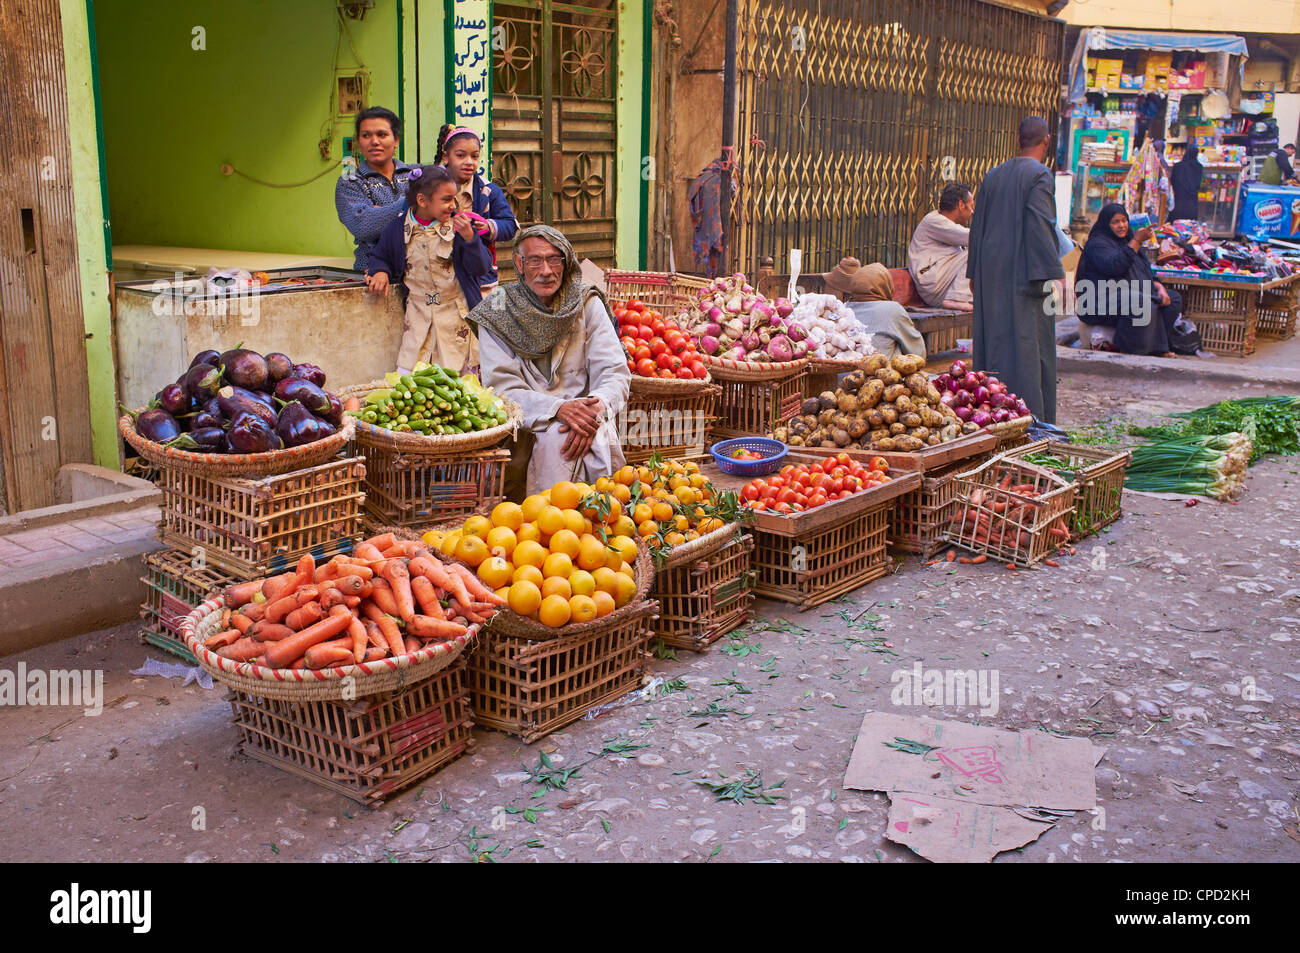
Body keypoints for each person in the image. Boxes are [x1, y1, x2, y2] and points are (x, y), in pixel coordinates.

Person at [470, 225, 631, 497]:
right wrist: (558, 408)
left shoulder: (586, 303)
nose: (546, 271)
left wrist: (594, 409)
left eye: (554, 259)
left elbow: (614, 373)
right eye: (535, 260)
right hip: (530, 421)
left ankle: (603, 517)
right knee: (558, 437)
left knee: (598, 434)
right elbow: (501, 389)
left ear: (566, 263)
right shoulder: (497, 310)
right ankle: (549, 524)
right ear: (520, 264)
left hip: (589, 416)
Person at [966, 116, 1065, 424]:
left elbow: (977, 226)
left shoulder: (992, 175)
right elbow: (1041, 224)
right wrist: (1055, 270)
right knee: (1028, 343)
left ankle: (989, 411)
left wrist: (973, 272)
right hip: (1026, 274)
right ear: (1046, 141)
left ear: (1017, 141)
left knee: (993, 338)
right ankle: (1030, 419)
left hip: (991, 271)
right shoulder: (1040, 175)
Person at [365, 166, 493, 375]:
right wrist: (380, 271)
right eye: (446, 199)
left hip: (455, 316)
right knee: (411, 374)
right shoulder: (397, 228)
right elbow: (381, 255)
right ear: (423, 201)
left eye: (454, 199)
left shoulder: (459, 230)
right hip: (417, 315)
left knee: (460, 379)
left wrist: (470, 238)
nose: (453, 205)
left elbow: (481, 267)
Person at [1076, 204, 1182, 357]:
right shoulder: (1097, 244)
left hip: (1128, 293)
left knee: (1173, 299)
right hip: (1099, 301)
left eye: (1124, 221)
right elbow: (1114, 267)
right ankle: (1131, 351)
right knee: (1139, 302)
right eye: (1115, 222)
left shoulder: (1127, 240)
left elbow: (1144, 269)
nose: (1121, 226)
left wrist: (1159, 287)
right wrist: (1137, 241)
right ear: (1107, 224)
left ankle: (1155, 347)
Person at [436, 125, 519, 296]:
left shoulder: (488, 191)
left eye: (474, 156)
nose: (469, 162)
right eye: (460, 155)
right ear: (446, 157)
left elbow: (510, 225)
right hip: (439, 276)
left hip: (481, 278)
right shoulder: (431, 188)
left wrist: (489, 226)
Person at [335, 106, 417, 272]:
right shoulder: (349, 181)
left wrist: (381, 212)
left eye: (382, 134)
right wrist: (412, 203)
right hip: (372, 273)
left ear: (396, 140)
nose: (374, 141)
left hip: (417, 273)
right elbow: (363, 226)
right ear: (359, 142)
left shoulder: (415, 174)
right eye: (366, 136)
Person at [822, 258, 925, 359]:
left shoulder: (843, 309)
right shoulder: (893, 310)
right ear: (886, 286)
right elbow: (918, 353)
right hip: (879, 374)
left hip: (841, 372)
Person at [907, 182, 975, 310]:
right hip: (931, 284)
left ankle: (958, 297)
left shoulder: (945, 223)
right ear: (961, 205)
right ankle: (955, 299)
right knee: (977, 248)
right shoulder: (934, 221)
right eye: (971, 206)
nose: (972, 212)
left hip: (939, 283)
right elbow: (974, 237)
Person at [1168, 143, 1203, 223]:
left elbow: (1173, 181)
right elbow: (1198, 184)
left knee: (1177, 224)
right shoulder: (1199, 167)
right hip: (1192, 203)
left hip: (1178, 200)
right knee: (1189, 225)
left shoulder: (1178, 166)